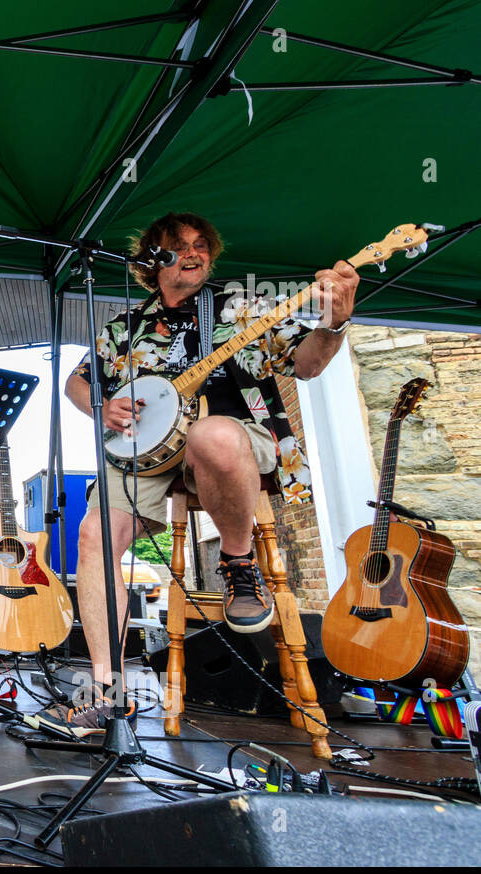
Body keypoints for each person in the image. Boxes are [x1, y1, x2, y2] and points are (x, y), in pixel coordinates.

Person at [40, 211, 358, 737]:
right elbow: (77, 382)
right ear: (152, 260)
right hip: (142, 450)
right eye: (179, 245)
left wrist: (334, 324)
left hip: (232, 437)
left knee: (211, 433)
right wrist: (102, 407)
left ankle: (237, 562)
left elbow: (306, 364)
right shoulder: (125, 326)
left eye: (201, 245)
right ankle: (104, 690)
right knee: (94, 534)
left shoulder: (243, 306)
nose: (194, 252)